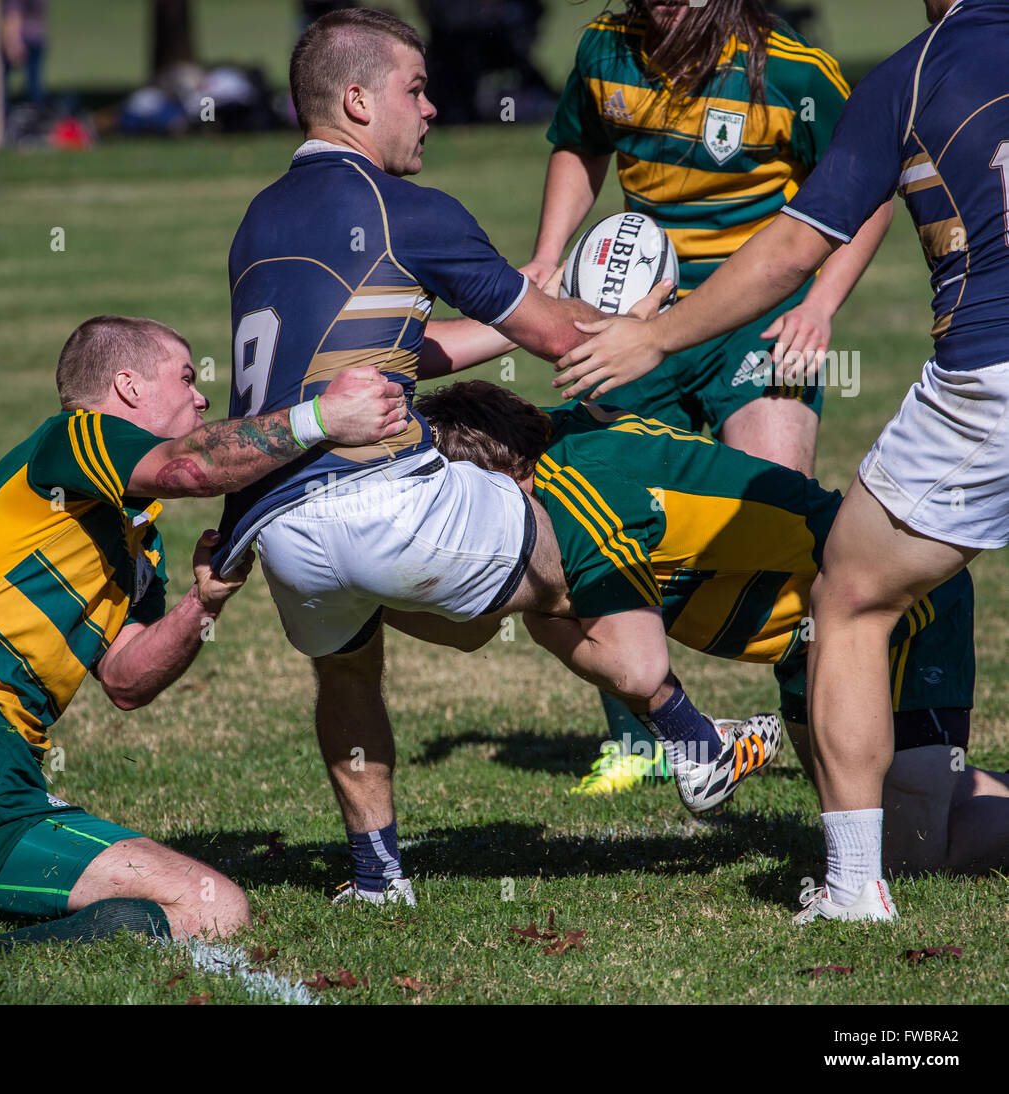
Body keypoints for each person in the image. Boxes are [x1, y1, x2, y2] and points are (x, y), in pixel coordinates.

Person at [551, 0, 1009, 920]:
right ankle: (671, 737)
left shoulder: (905, 70)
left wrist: (658, 336)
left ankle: (851, 882)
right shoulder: (606, 48)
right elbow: (577, 141)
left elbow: (795, 246)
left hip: (980, 376)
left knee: (842, 584)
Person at [213, 8, 672, 906]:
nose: (429, 109)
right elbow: (553, 335)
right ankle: (691, 738)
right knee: (581, 552)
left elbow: (386, 352)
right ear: (356, 100)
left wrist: (502, 332)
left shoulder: (257, 222)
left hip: (284, 529)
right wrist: (655, 330)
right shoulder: (407, 209)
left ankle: (377, 877)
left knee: (347, 670)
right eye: (414, 90)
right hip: (385, 498)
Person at [0, 315, 406, 954]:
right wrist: (320, 418)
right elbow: (189, 469)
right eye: (186, 378)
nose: (202, 397)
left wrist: (203, 603)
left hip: (6, 787)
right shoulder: (72, 439)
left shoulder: (139, 542)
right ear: (127, 388)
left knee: (215, 908)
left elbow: (127, 680)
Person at [518, 0, 895, 792]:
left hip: (758, 329)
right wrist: (548, 257)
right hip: (633, 326)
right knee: (594, 510)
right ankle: (650, 734)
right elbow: (577, 145)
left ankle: (814, 725)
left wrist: (818, 303)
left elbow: (869, 192)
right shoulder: (604, 50)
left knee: (782, 527)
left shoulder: (796, 72)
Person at [413, 380, 1009, 879]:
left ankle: (702, 745)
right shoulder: (555, 439)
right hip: (811, 644)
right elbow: (476, 621)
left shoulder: (578, 498)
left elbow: (636, 666)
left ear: (503, 480)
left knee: (915, 852)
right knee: (869, 821)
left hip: (896, 612)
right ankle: (706, 745)